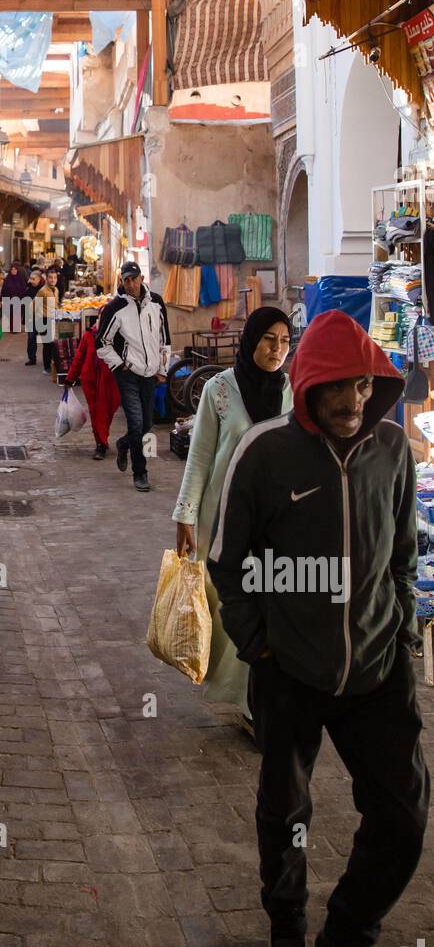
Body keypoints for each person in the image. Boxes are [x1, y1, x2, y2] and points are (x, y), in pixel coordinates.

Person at [208, 311, 429, 947]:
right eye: (338, 388)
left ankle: (347, 934)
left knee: (403, 817)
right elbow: (229, 560)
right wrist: (257, 642)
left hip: (378, 665)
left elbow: (403, 552)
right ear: (307, 387)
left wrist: (403, 628)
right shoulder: (266, 454)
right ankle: (286, 931)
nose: (354, 402)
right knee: (286, 810)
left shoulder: (392, 450)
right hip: (290, 669)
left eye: (363, 387)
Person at [173, 307, 292, 723]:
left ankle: (254, 705)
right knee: (231, 609)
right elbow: (201, 456)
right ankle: (240, 696)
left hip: (273, 521)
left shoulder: (290, 391)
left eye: (284, 341)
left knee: (269, 606)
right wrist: (185, 515)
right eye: (268, 339)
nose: (277, 349)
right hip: (222, 519)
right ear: (251, 340)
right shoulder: (219, 390)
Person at [96, 261, 170, 492]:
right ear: (122, 281)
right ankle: (140, 473)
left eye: (133, 279)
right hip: (128, 374)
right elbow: (101, 343)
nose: (130, 284)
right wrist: (119, 365)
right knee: (136, 423)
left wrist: (162, 369)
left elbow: (165, 339)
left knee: (147, 424)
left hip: (150, 373)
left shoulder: (156, 303)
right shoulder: (114, 308)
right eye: (126, 280)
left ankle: (123, 443)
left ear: (141, 278)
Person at [66, 323, 120, 459]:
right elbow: (79, 358)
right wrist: (70, 378)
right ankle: (101, 444)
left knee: (107, 411)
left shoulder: (118, 336)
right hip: (91, 381)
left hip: (111, 381)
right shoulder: (88, 336)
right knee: (96, 411)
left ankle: (102, 438)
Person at [36, 268, 60, 375]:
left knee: (52, 344)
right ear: (46, 278)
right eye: (50, 277)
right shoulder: (42, 291)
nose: (53, 280)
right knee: (47, 345)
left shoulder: (56, 290)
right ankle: (46, 368)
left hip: (53, 319)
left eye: (55, 277)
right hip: (44, 320)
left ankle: (51, 364)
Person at [25, 269, 44, 366]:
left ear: (39, 279)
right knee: (31, 338)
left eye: (33, 279)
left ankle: (47, 359)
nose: (31, 281)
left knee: (46, 339)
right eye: (30, 278)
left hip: (42, 317)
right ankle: (32, 358)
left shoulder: (44, 288)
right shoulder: (29, 288)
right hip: (31, 317)